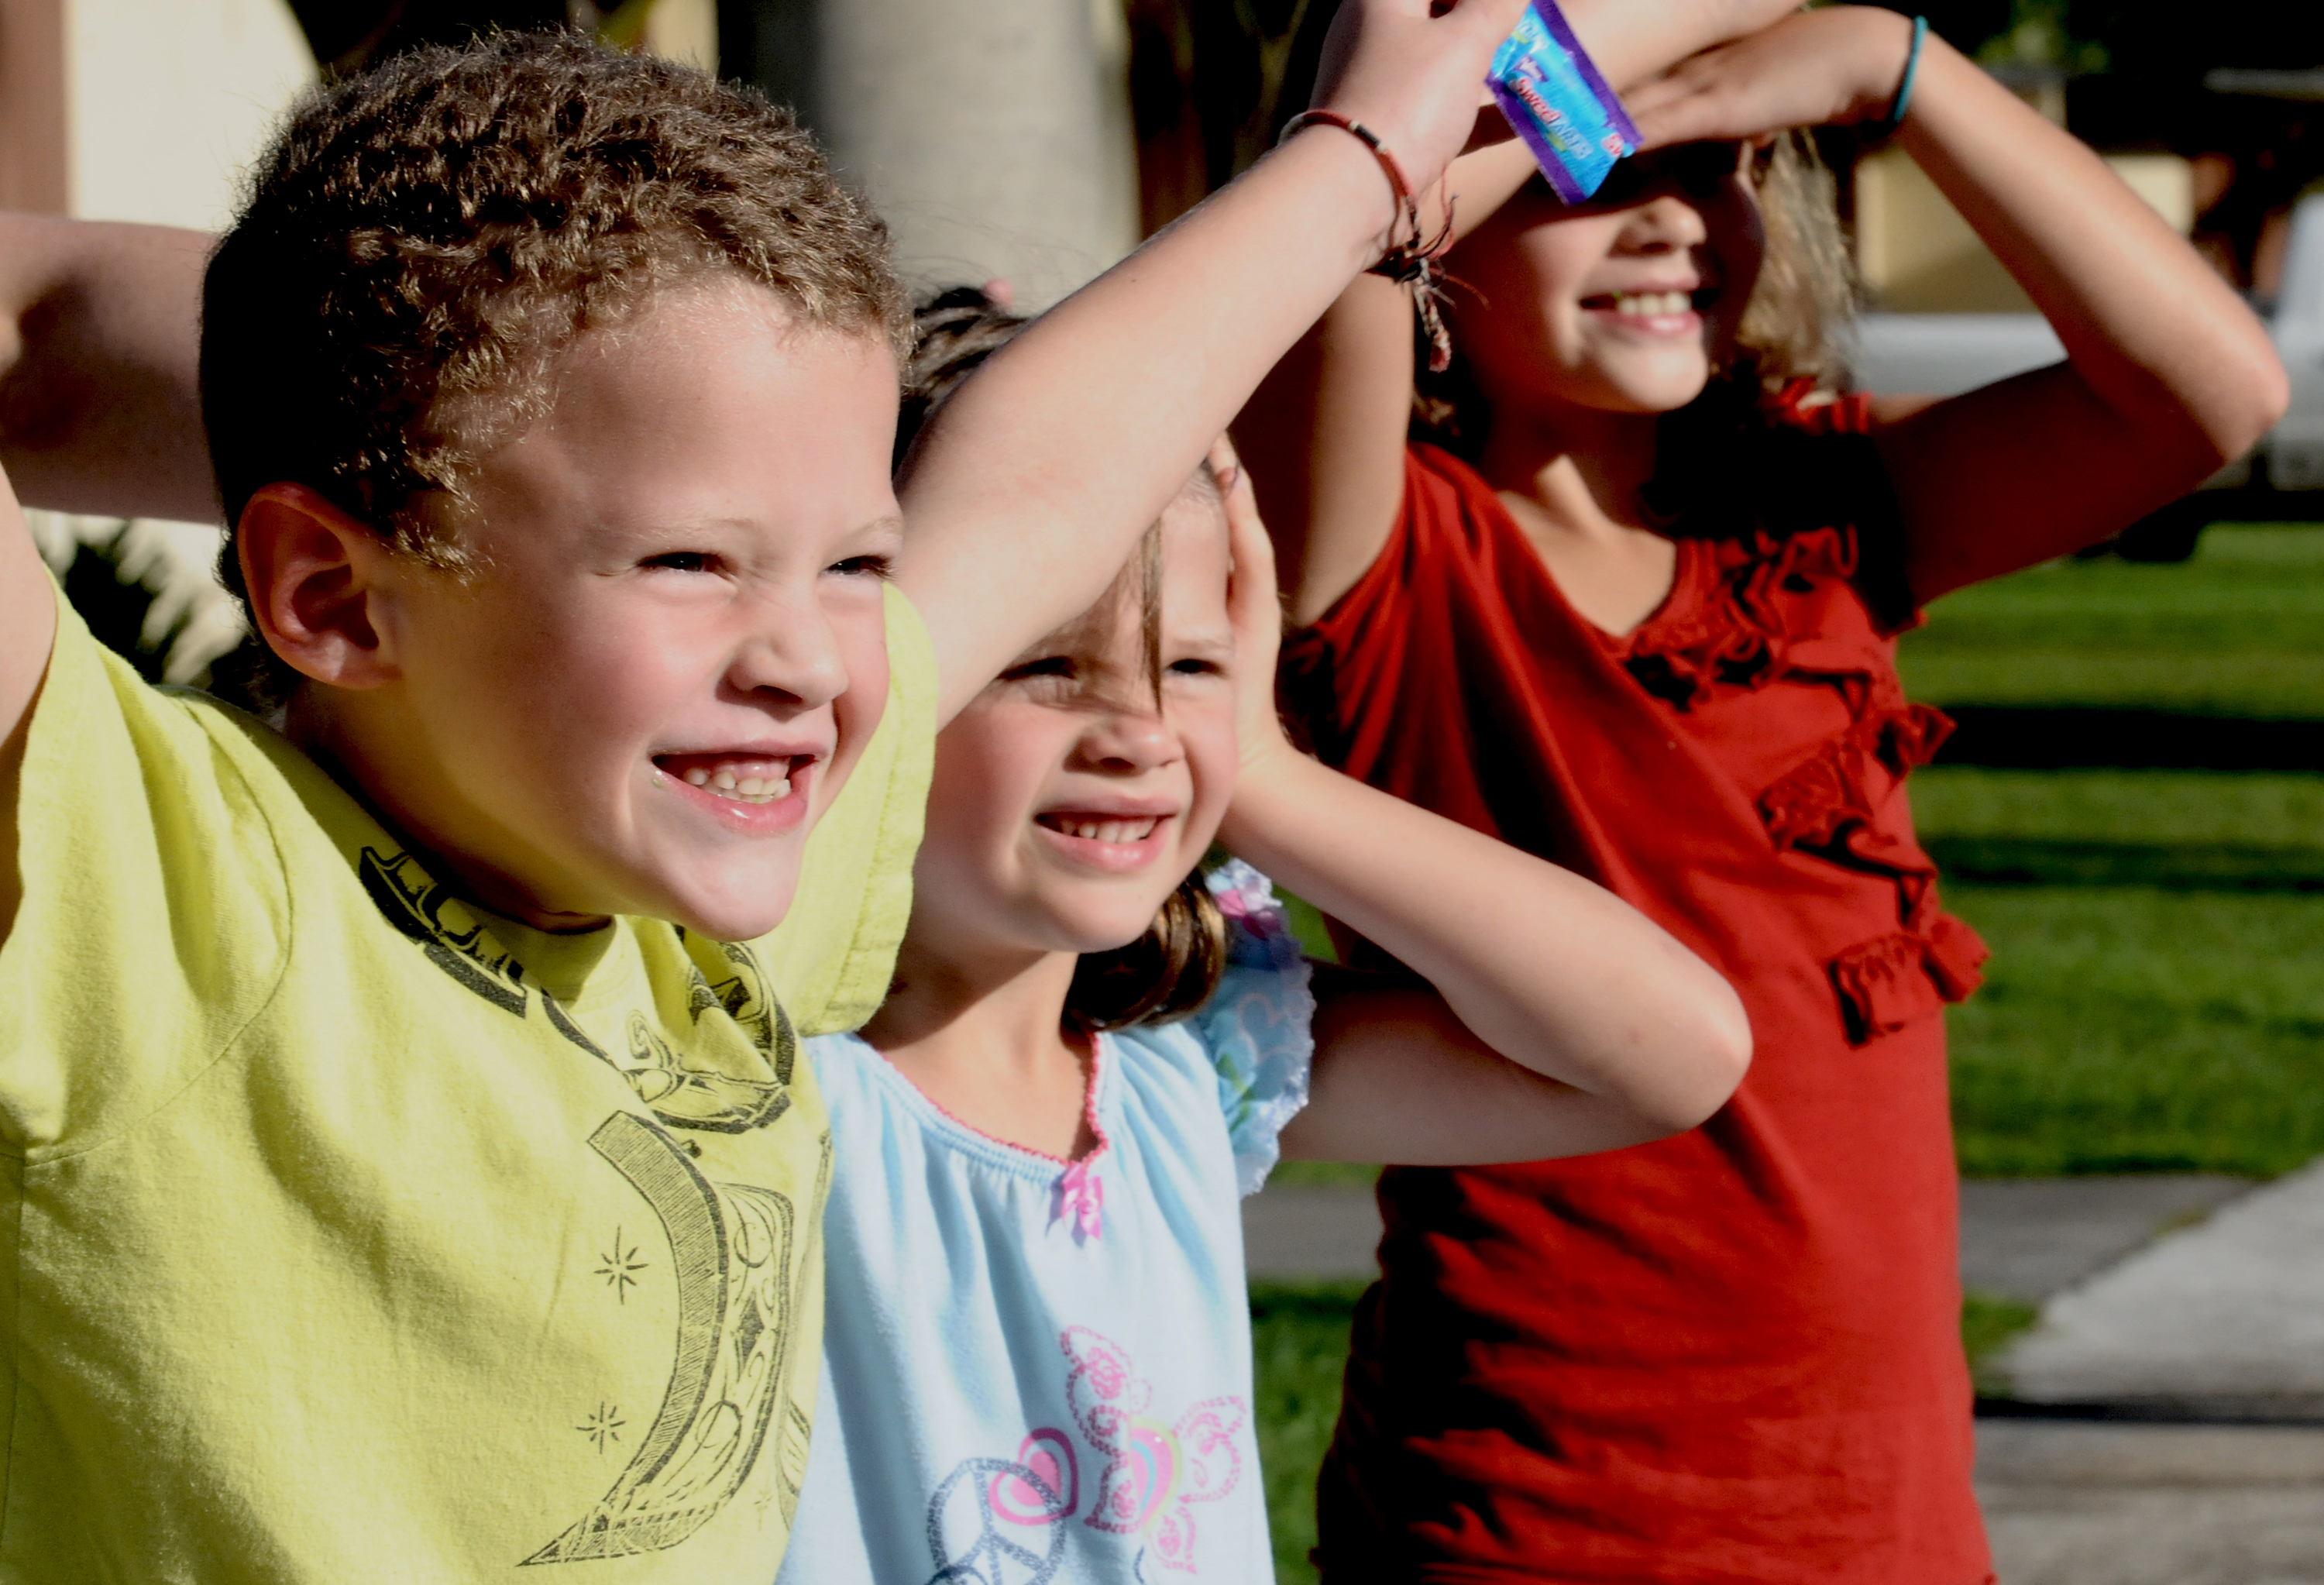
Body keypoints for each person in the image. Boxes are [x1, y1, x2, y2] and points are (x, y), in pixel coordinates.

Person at [0, 2, 1535, 1576]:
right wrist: (393, 395)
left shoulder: (722, 907)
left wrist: (1362, 158)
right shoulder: (141, 892)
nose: (808, 659)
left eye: (858, 561)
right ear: (328, 593)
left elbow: (1056, 469)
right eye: (689, 561)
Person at [1234, 5, 2288, 1580]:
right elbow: (1358, 179)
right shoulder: (1386, 560)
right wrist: (1448, 125)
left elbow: (2212, 398)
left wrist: (1895, 65)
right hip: (1545, 1514)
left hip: (1883, 1511)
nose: (1667, 213)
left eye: (1718, 164)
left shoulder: (1818, 507)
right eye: (1590, 166)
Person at [776, 321, 1748, 1577]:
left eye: (1188, 665)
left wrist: (1271, 777)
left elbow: (1671, 1054)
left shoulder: (1191, 1069)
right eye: (1043, 662)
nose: (1137, 733)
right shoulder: (755, 1070)